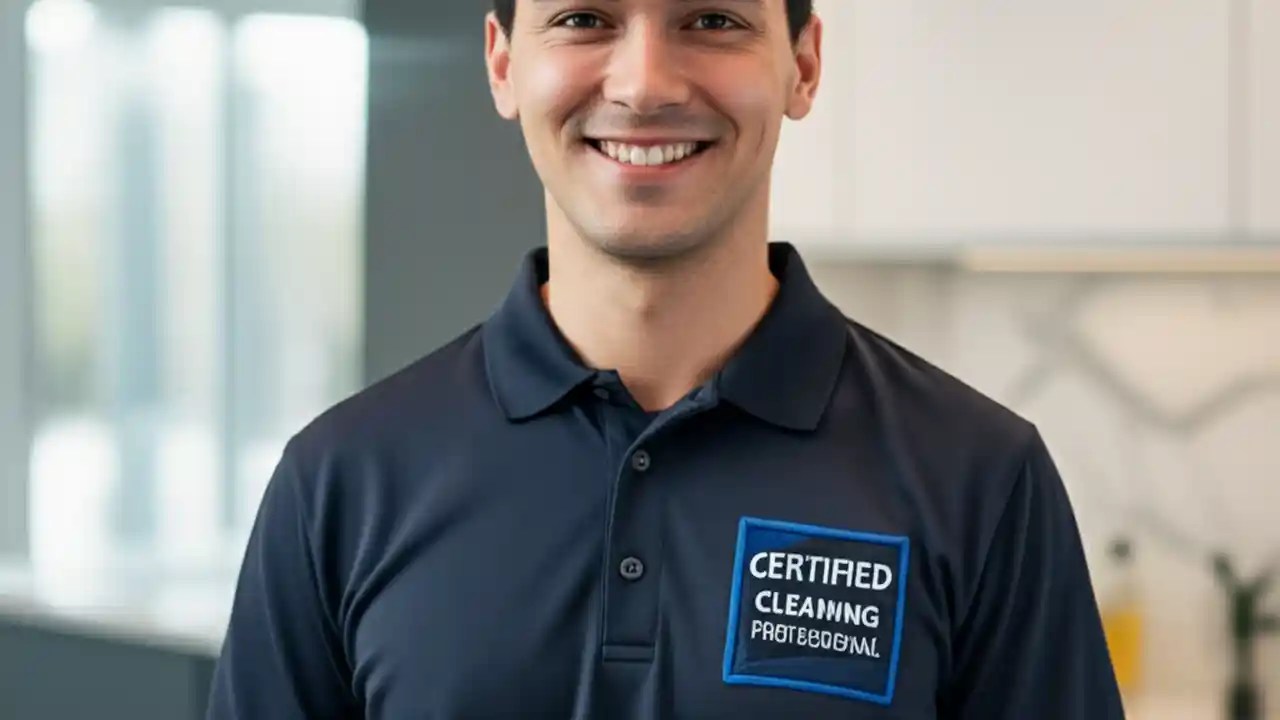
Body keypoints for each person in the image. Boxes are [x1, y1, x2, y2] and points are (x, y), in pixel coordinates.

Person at [207, 1, 1126, 718]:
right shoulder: (340, 484)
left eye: (712, 21)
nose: (644, 83)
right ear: (503, 62)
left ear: (803, 64)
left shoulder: (980, 478)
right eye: (583, 20)